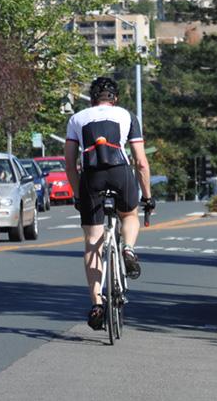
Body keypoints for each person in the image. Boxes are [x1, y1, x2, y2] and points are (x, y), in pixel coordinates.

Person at [64, 76, 154, 331]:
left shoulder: (77, 119)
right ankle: (128, 249)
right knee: (129, 215)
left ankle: (96, 303)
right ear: (115, 99)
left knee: (93, 240)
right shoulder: (127, 116)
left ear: (92, 99)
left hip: (91, 177)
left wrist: (78, 195)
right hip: (120, 172)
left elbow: (70, 164)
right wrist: (147, 196)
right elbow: (141, 161)